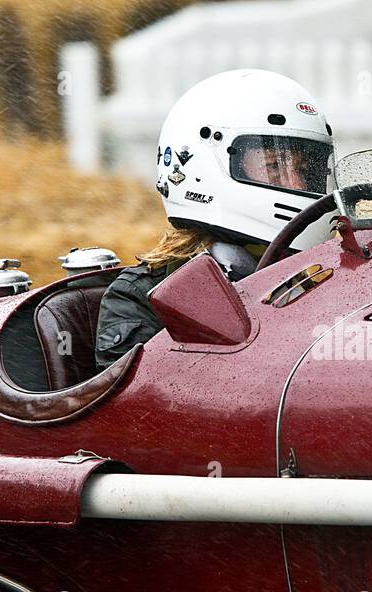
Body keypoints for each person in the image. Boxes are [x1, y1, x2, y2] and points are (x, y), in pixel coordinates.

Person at [94, 69, 337, 369]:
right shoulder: (141, 296)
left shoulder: (326, 269)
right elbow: (145, 408)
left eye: (307, 170)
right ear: (201, 166)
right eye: (275, 166)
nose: (299, 184)